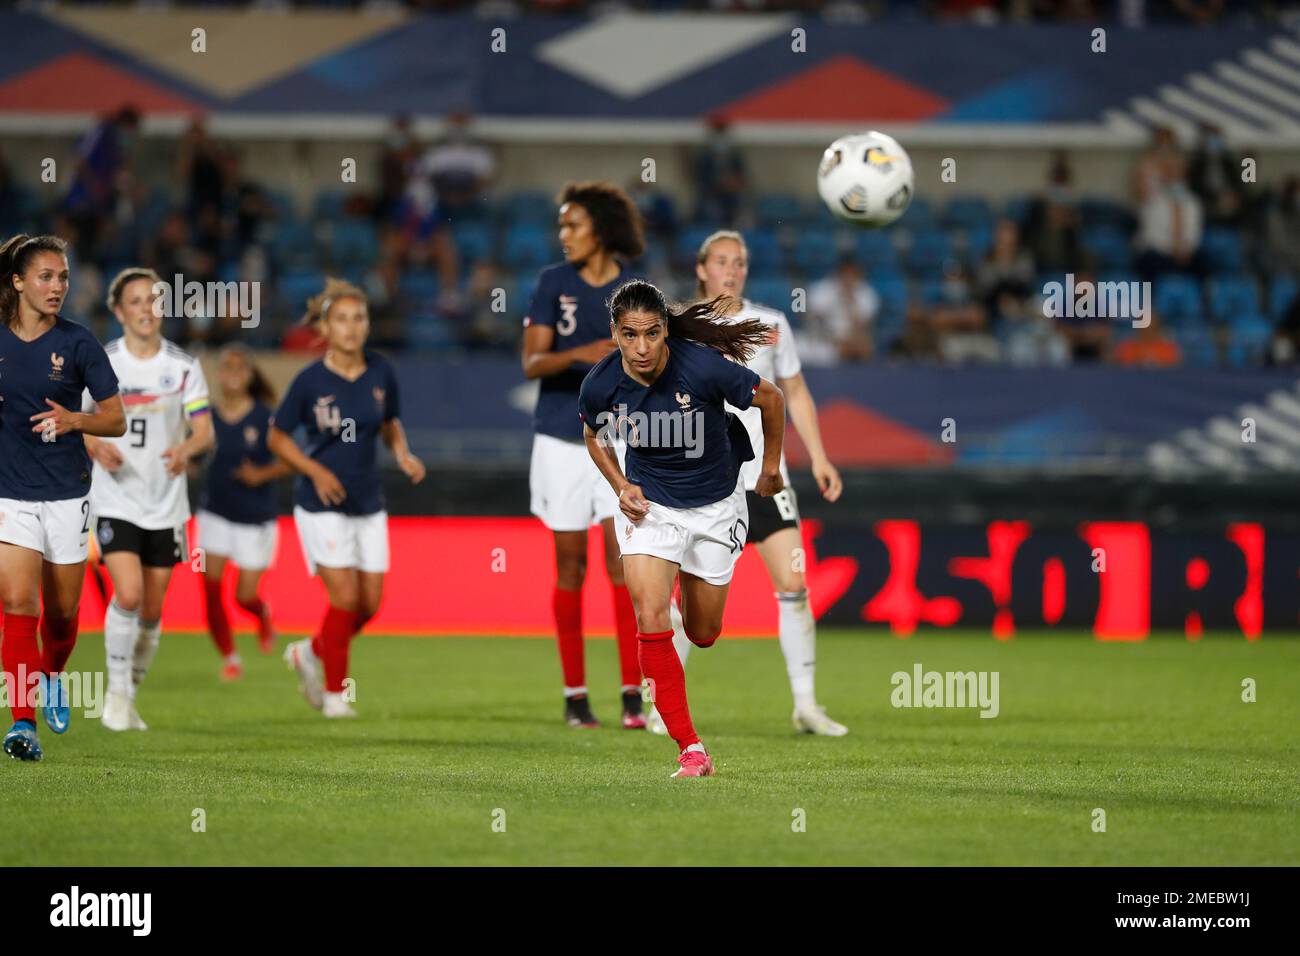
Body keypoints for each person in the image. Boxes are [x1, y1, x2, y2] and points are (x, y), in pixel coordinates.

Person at [579, 279, 786, 778]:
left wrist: (771, 468)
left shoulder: (702, 367)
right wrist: (620, 485)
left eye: (652, 334)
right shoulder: (601, 383)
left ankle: (677, 601)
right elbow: (593, 435)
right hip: (650, 508)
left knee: (703, 631)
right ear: (615, 333)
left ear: (665, 331)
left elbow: (773, 399)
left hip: (716, 507)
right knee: (648, 614)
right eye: (630, 335)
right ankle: (690, 748)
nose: (642, 347)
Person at [646, 230, 849, 736]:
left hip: (764, 477)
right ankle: (660, 706)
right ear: (701, 268)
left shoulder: (771, 325)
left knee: (794, 584)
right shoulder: (679, 328)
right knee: (689, 605)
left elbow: (795, 394)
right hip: (701, 482)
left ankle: (806, 705)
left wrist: (819, 457)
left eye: (739, 261)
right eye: (721, 261)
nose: (731, 270)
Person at [521, 182, 647, 729]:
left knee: (622, 566)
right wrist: (580, 354)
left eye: (572, 225)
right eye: (561, 227)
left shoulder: (633, 290)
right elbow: (532, 363)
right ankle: (575, 697)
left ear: (599, 229)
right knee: (570, 567)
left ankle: (631, 696)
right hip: (559, 440)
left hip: (618, 443)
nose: (563, 235)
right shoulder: (553, 282)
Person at [270, 278, 426, 719]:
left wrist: (403, 453)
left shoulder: (381, 372)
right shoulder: (310, 380)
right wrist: (314, 469)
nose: (352, 327)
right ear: (326, 326)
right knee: (343, 599)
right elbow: (278, 437)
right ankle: (337, 695)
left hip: (367, 501)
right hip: (320, 503)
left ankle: (310, 652)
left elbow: (390, 422)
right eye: (342, 319)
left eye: (359, 317)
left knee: (368, 605)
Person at [0, 234, 125, 760]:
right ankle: (21, 723)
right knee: (16, 603)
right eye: (47, 276)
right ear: (18, 281)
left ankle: (53, 674)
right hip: (10, 494)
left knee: (63, 614)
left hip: (67, 492)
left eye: (64, 277)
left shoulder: (78, 344)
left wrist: (76, 419)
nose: (57, 286)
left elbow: (115, 418)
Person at [83, 267, 215, 732]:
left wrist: (186, 448)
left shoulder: (182, 367)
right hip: (115, 498)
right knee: (130, 593)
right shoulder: (102, 362)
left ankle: (130, 695)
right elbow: (75, 422)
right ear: (119, 311)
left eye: (154, 300)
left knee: (154, 610)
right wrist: (94, 444)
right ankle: (115, 696)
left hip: (166, 504)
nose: (146, 309)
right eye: (135, 301)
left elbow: (203, 429)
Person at [197, 344, 291, 680]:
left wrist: (261, 475)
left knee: (244, 596)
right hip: (214, 514)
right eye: (227, 367)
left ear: (249, 375)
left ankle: (262, 613)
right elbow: (193, 457)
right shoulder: (206, 417)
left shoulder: (266, 417)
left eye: (240, 368)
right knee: (208, 586)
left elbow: (292, 459)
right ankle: (230, 657)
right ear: (219, 374)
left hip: (256, 518)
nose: (233, 374)